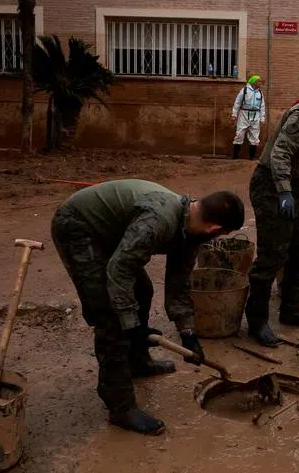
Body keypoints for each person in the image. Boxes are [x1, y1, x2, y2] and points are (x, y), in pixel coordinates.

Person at [51, 180, 245, 435]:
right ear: (215, 228)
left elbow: (178, 284)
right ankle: (121, 406)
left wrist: (188, 332)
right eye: (222, 234)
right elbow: (119, 270)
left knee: (143, 290)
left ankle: (137, 361)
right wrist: (131, 326)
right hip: (78, 226)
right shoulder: (159, 220)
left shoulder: (191, 230)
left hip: (109, 232)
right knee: (111, 315)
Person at [244, 94, 299, 346]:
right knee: (272, 254)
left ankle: (291, 310)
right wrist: (283, 192)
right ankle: (257, 321)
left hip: (292, 186)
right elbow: (280, 153)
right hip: (270, 184)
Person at [231, 74, 265, 160]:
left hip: (255, 115)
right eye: (259, 81)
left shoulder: (260, 93)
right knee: (239, 134)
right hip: (244, 114)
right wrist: (234, 115)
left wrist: (262, 118)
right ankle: (235, 157)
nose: (260, 83)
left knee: (255, 136)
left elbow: (262, 106)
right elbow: (237, 103)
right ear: (254, 82)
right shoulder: (244, 90)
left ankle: (252, 157)